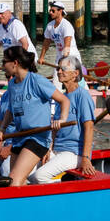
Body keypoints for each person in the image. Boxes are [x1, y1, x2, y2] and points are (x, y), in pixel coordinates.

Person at [0, 46, 69, 186]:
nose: (2, 66)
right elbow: (10, 110)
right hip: (19, 136)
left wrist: (61, 119)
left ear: (15, 63)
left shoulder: (36, 81)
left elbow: (64, 100)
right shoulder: (12, 85)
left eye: (4, 62)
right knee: (14, 181)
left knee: (14, 180)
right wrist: (2, 129)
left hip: (37, 138)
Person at [30, 55, 96, 183]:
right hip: (57, 149)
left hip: (74, 152)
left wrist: (86, 157)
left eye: (63, 69)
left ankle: (62, 191)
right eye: (58, 69)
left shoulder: (82, 95)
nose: (59, 72)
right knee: (28, 172)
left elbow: (89, 127)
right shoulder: (63, 98)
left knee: (39, 177)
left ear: (75, 73)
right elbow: (55, 129)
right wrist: (49, 149)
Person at [40, 0, 81, 84]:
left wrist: (63, 62)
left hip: (71, 57)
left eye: (53, 11)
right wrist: (41, 57)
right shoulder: (50, 26)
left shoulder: (66, 25)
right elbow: (46, 43)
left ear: (60, 11)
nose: (50, 12)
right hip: (60, 58)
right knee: (56, 83)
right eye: (50, 11)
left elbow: (67, 45)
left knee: (75, 83)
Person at [0, 2, 31, 70]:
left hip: (26, 58)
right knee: (9, 76)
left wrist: (19, 62)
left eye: (2, 13)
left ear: (9, 13)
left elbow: (25, 44)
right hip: (12, 59)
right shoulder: (0, 28)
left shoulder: (16, 25)